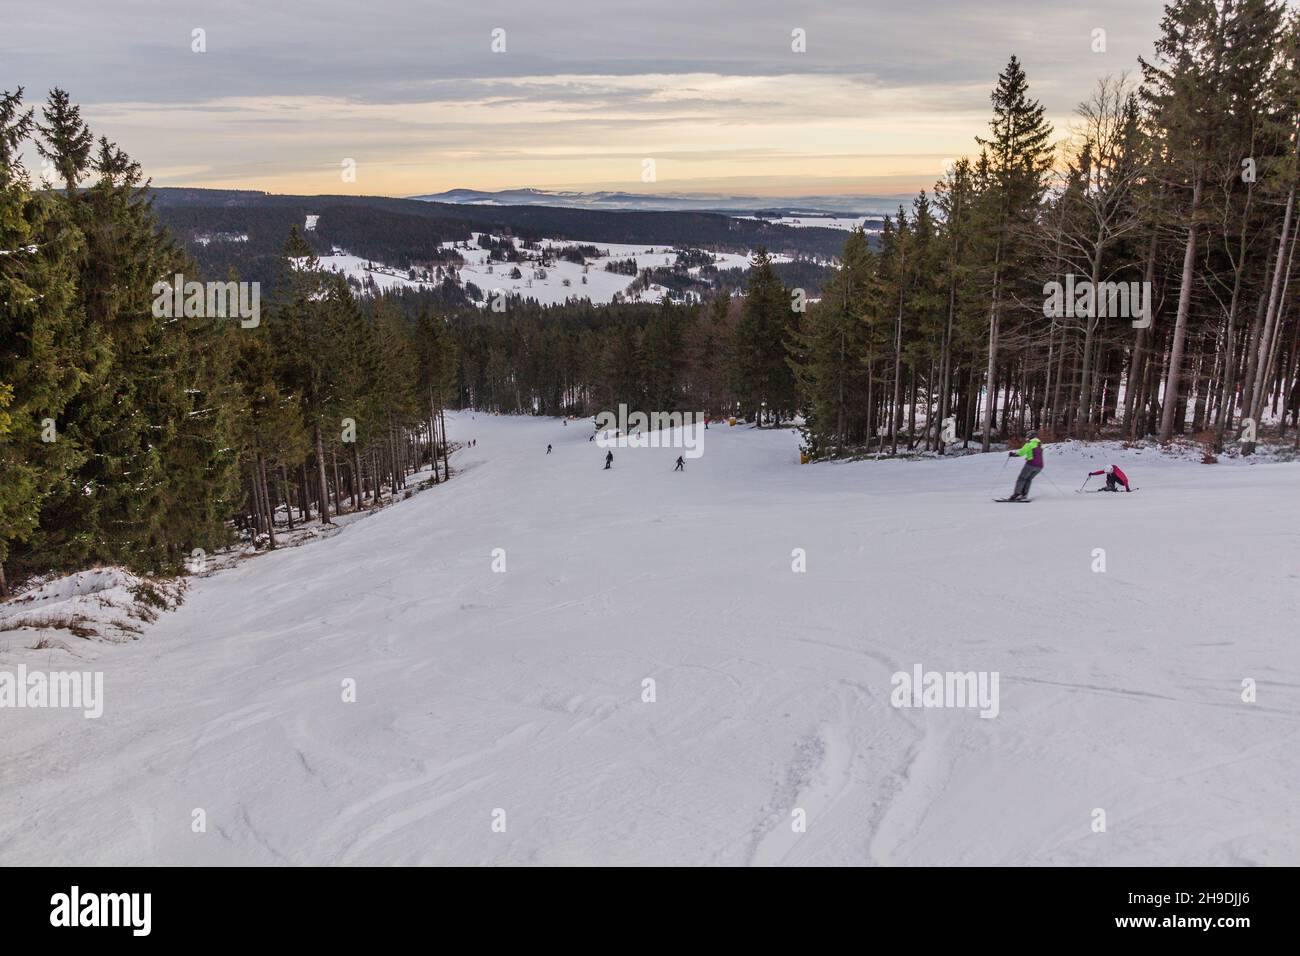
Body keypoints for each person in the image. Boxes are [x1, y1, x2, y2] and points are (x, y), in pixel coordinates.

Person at [1007, 431, 1043, 500]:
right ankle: (1024, 495)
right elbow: (1037, 454)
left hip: (1031, 464)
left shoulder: (1029, 444)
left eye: (1028, 436)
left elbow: (1021, 453)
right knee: (1028, 479)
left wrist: (1013, 454)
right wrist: (1029, 457)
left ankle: (1017, 494)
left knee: (1021, 478)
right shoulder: (1039, 444)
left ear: (1031, 436)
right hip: (1039, 466)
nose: (1027, 437)